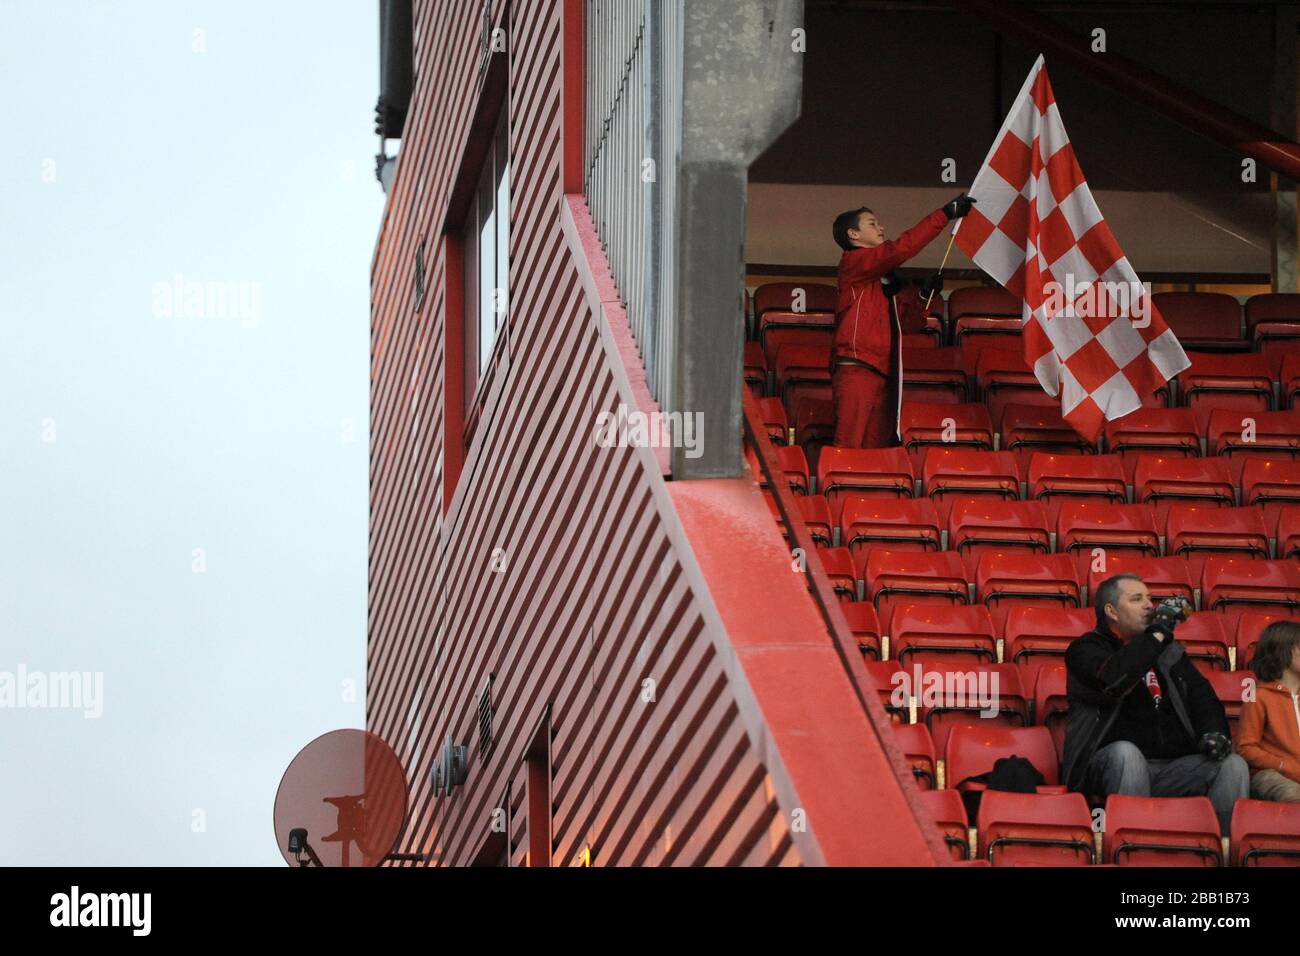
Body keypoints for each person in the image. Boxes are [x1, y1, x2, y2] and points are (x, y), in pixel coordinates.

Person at [1061, 573, 1249, 833]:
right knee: (1127, 753)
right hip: (1106, 766)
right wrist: (1158, 633)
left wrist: (1213, 733)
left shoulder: (1169, 653)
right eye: (1137, 599)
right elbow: (1114, 679)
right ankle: (1131, 846)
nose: (1150, 605)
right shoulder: (1085, 649)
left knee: (1232, 765)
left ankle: (1223, 849)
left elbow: (1202, 697)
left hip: (1172, 768)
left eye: (1150, 598)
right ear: (1111, 611)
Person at [829, 195, 974, 448]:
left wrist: (925, 295)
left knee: (875, 448)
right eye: (872, 223)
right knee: (849, 445)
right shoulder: (854, 261)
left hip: (883, 372)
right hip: (858, 367)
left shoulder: (887, 279)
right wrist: (943, 215)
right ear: (853, 234)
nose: (881, 228)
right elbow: (901, 248)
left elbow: (909, 325)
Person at [1237, 620, 1300, 802]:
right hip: (1270, 774)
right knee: (1294, 795)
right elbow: (1245, 748)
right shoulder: (1256, 695)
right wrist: (1283, 764)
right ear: (1283, 651)